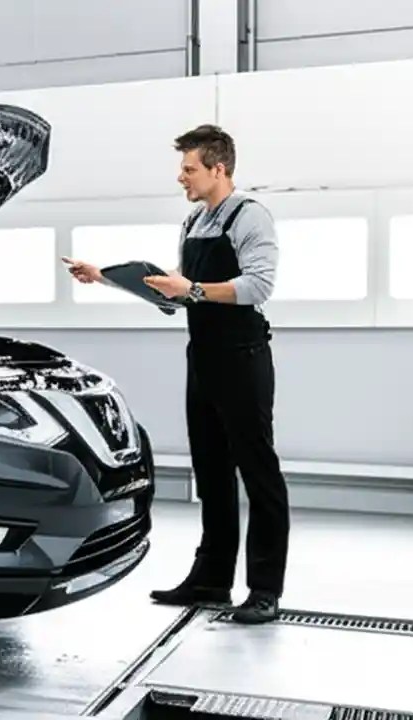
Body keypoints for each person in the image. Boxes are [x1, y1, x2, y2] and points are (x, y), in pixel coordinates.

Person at [62, 124, 289, 624]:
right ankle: (211, 579)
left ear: (218, 168)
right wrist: (104, 276)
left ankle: (266, 588)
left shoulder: (250, 217)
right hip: (203, 356)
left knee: (259, 472)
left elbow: (258, 286)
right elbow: (176, 293)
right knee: (210, 471)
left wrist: (193, 290)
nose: (180, 177)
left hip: (244, 357)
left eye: (189, 168)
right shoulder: (192, 221)